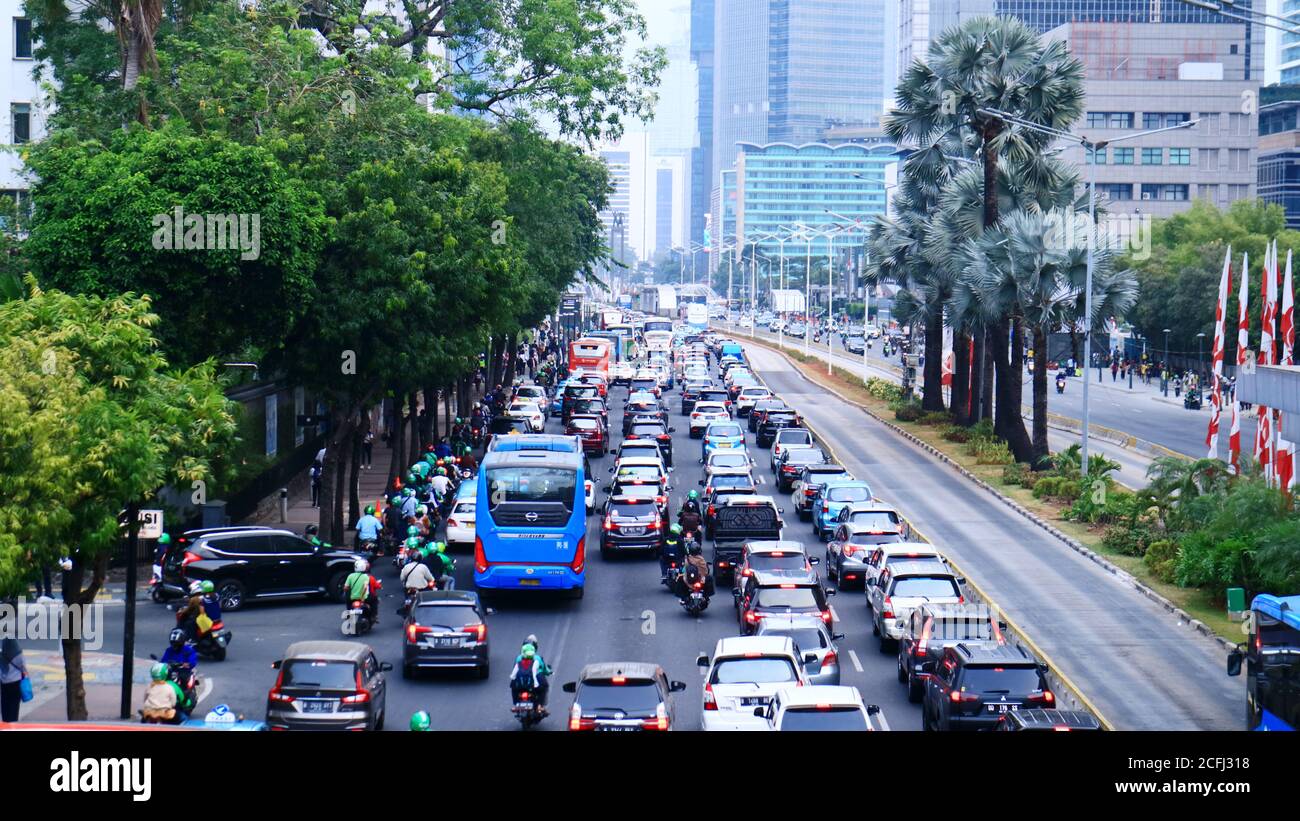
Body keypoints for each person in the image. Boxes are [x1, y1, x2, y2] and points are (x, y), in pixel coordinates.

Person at [510, 641, 552, 711]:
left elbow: (514, 670)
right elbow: (545, 669)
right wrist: (549, 672)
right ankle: (540, 705)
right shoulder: (537, 658)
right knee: (544, 686)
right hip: (533, 685)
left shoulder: (518, 658)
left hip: (520, 684)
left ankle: (516, 704)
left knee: (513, 687)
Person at [344, 558, 380, 625]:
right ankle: (373, 616)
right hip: (364, 599)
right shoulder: (367, 577)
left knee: (348, 603)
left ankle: (349, 615)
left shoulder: (350, 576)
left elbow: (346, 588)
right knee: (375, 600)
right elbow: (366, 587)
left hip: (352, 598)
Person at [1, 638, 28, 722]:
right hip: (15, 683)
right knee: (14, 707)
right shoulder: (18, 655)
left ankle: (6, 724)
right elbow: (23, 668)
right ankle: (13, 725)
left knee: (5, 706)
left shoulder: (2, 655)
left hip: (4, 683)